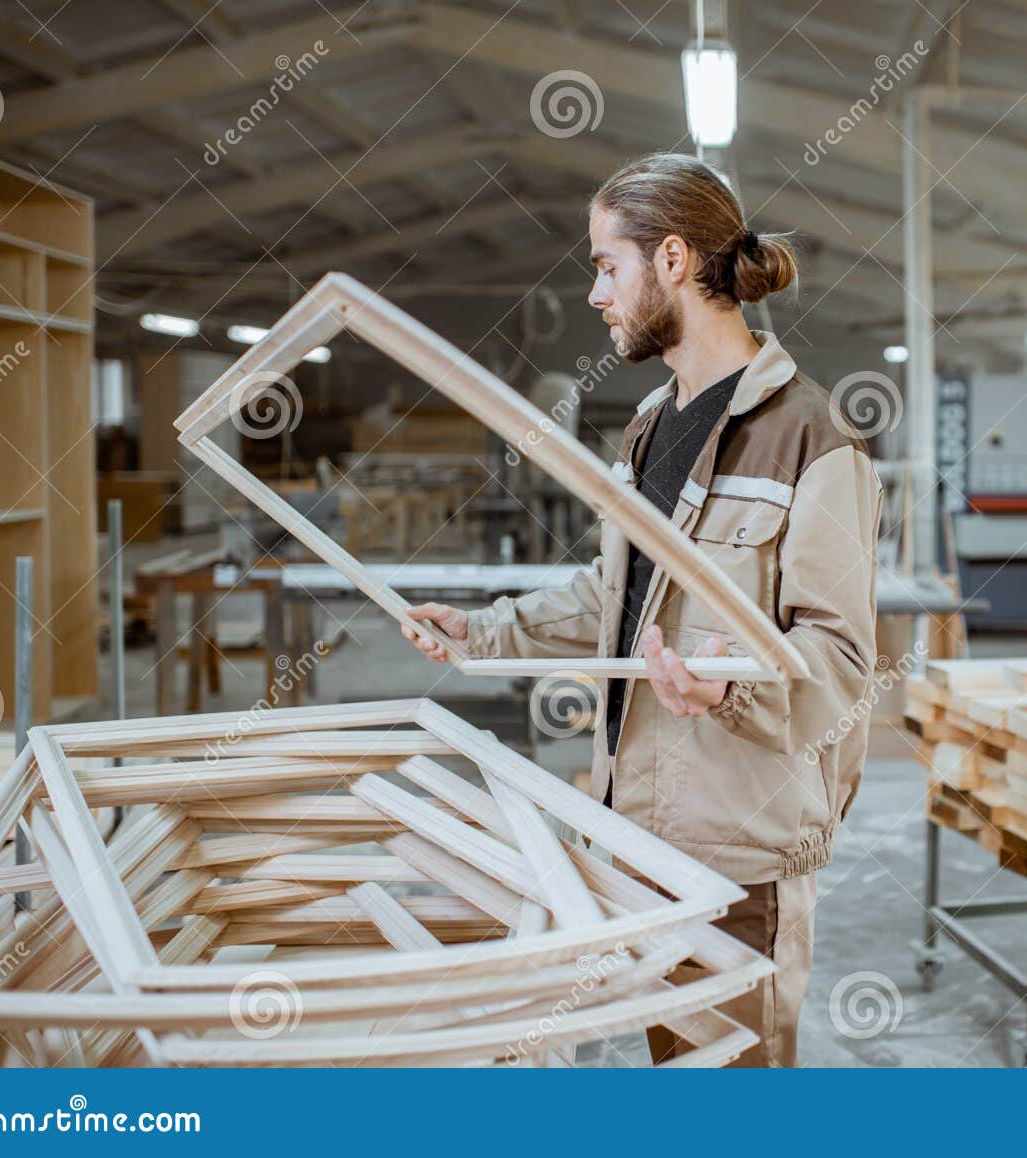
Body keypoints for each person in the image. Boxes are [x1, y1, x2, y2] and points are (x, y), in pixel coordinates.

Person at [404, 152, 882, 1067]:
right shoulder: (648, 429)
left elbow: (843, 660)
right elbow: (615, 596)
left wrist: (731, 689)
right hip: (637, 829)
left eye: (605, 265)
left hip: (737, 850)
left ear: (671, 259)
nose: (596, 294)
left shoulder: (813, 438)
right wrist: (487, 629)